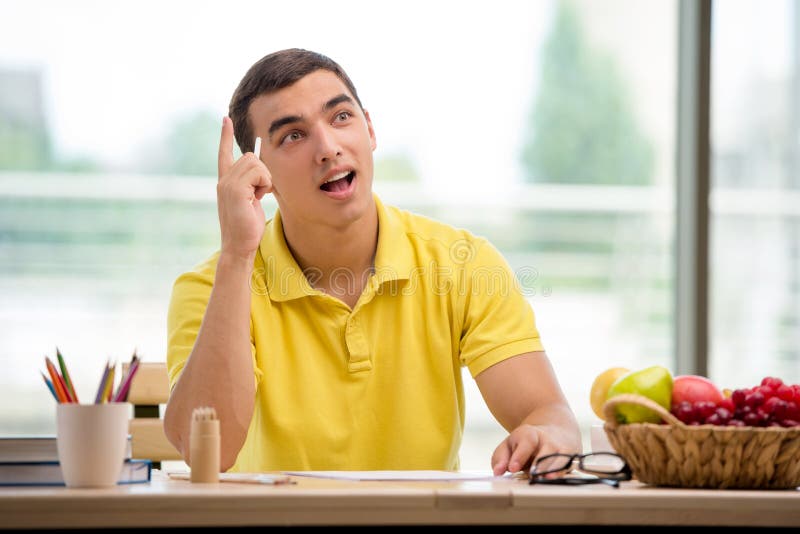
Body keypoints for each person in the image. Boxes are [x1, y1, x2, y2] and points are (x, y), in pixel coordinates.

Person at [163, 48, 581, 474]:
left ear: (371, 130)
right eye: (293, 135)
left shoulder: (464, 264)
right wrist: (236, 257)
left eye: (341, 117)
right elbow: (204, 454)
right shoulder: (209, 287)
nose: (328, 148)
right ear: (258, 171)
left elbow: (549, 416)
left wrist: (547, 436)